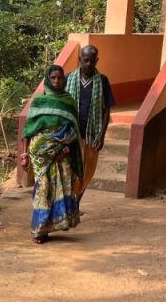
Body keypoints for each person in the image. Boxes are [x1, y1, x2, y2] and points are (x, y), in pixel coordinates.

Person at [19, 64, 83, 245]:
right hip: (40, 154)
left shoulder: (69, 102)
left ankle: (49, 228)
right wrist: (24, 155)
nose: (56, 81)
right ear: (48, 79)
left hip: (62, 153)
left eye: (60, 78)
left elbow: (74, 131)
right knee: (43, 188)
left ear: (64, 80)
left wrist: (66, 147)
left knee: (59, 188)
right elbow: (28, 130)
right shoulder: (39, 101)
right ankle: (39, 230)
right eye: (53, 78)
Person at [66, 45, 116, 204]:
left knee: (87, 172)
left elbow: (107, 109)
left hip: (92, 136)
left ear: (97, 61)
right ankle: (69, 203)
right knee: (70, 170)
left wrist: (101, 135)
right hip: (71, 135)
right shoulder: (68, 79)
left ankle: (76, 204)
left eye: (92, 61)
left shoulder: (102, 81)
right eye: (86, 60)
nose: (89, 64)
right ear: (80, 59)